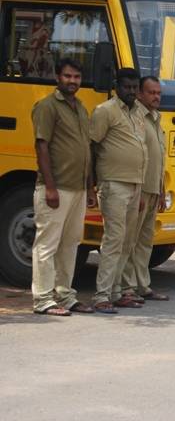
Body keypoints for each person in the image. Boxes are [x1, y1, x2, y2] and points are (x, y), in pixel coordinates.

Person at [30, 58, 96, 316]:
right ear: (58, 77)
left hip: (78, 188)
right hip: (55, 188)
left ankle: (65, 295)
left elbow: (86, 150)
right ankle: (43, 299)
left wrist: (90, 188)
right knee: (47, 245)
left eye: (77, 77)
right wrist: (49, 187)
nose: (73, 81)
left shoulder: (80, 107)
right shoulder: (47, 106)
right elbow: (41, 145)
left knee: (71, 244)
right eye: (68, 76)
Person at [90, 68, 148, 313]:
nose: (132, 91)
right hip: (113, 184)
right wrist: (91, 185)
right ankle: (102, 295)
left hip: (135, 184)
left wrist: (142, 187)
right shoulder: (105, 111)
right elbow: (91, 147)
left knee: (128, 242)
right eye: (127, 87)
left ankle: (117, 292)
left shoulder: (137, 113)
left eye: (135, 87)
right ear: (116, 87)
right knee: (114, 240)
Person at [121, 76, 170, 301]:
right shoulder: (137, 117)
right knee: (130, 240)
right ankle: (126, 287)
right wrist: (138, 190)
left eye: (158, 93)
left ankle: (143, 285)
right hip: (140, 189)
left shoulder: (156, 118)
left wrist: (161, 190)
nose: (156, 97)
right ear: (140, 94)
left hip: (153, 190)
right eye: (151, 92)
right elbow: (138, 157)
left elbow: (159, 158)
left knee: (145, 242)